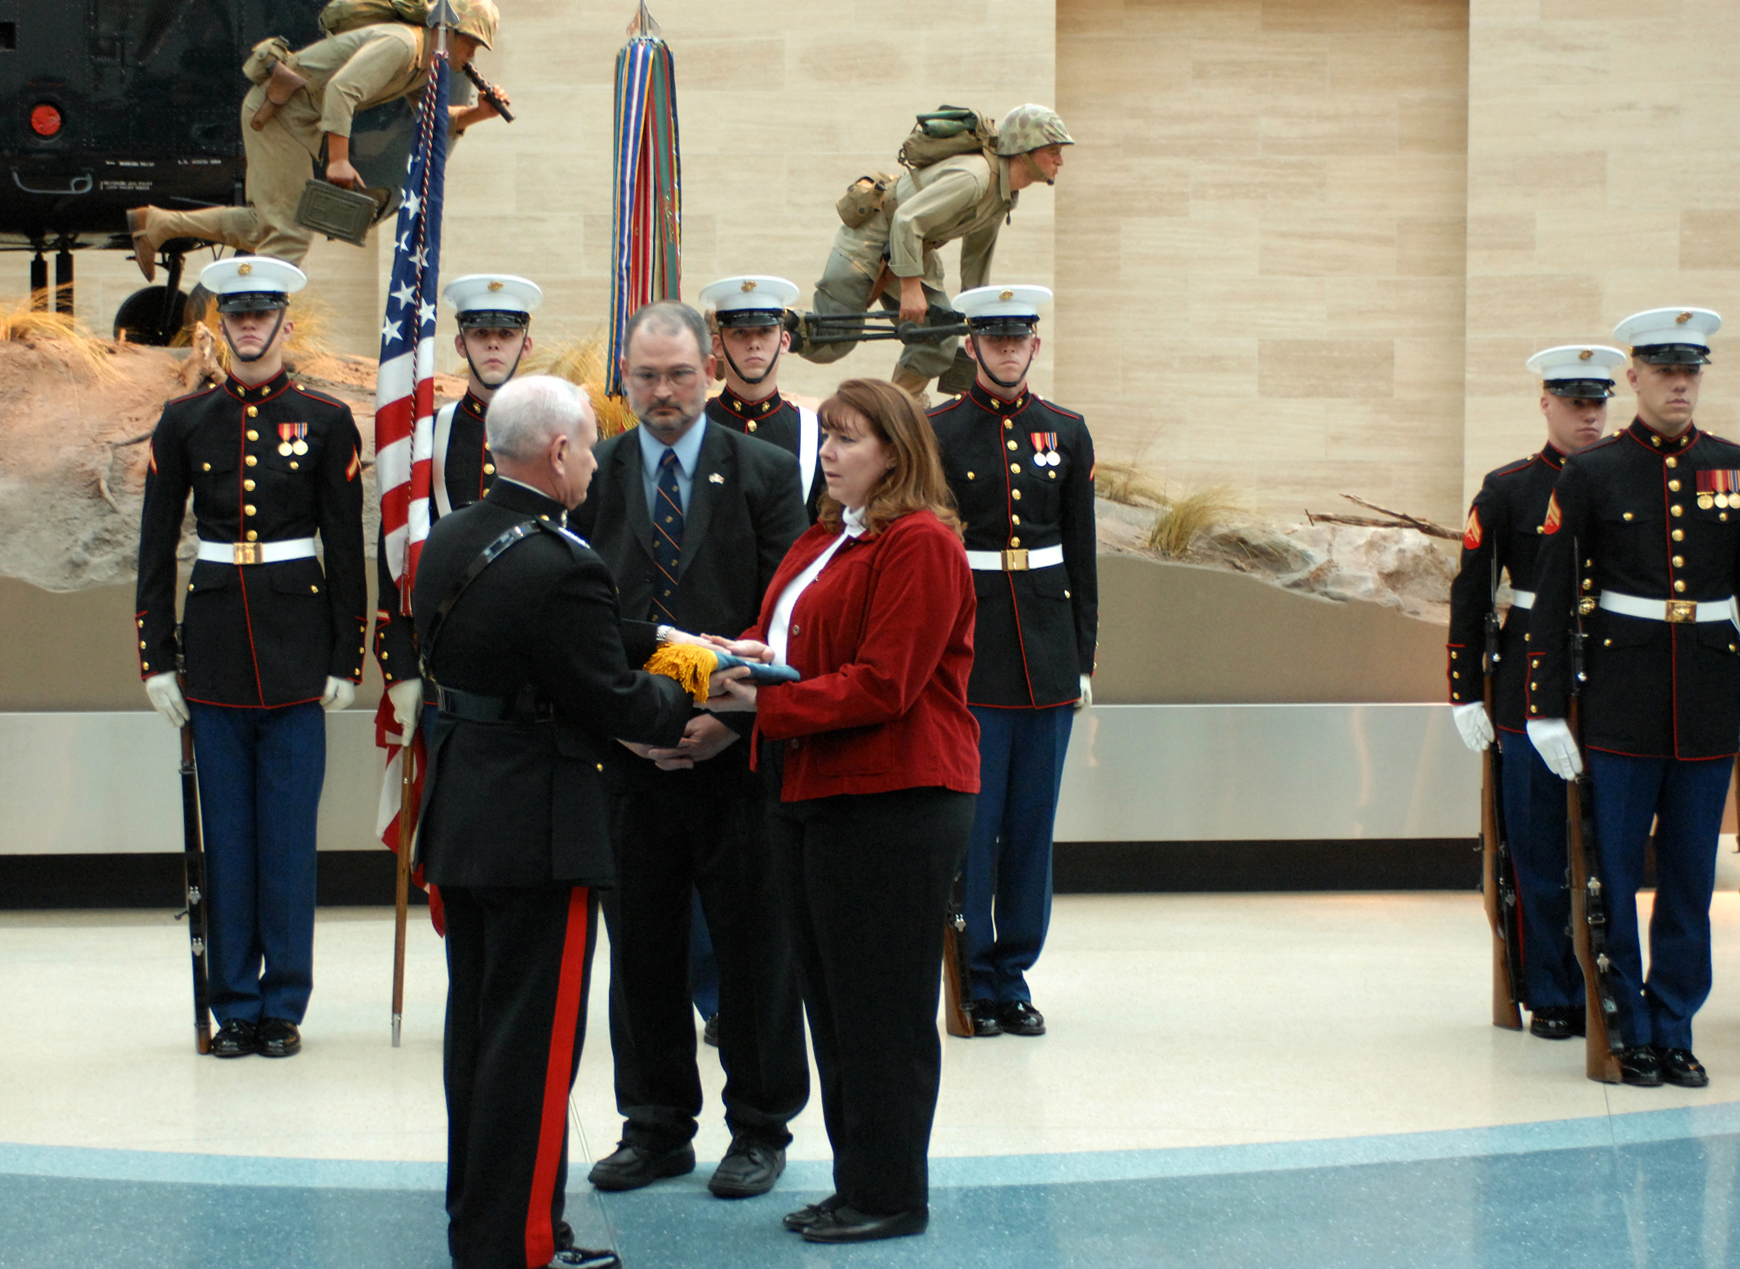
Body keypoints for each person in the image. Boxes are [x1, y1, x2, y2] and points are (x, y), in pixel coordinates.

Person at [413, 375, 692, 1269]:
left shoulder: (450, 535)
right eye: (588, 448)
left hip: (464, 817)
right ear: (563, 452)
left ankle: (480, 1223)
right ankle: (523, 1242)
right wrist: (691, 685)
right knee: (535, 1053)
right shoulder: (561, 559)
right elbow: (609, 692)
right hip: (541, 830)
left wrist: (682, 641)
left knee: (479, 1039)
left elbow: (565, 636)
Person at [703, 377, 979, 1244]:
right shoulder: (825, 539)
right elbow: (785, 640)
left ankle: (893, 1191)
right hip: (814, 790)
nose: (826, 453)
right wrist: (737, 654)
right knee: (831, 1001)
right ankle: (857, 1178)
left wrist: (760, 706)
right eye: (826, 437)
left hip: (895, 798)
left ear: (894, 452)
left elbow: (887, 684)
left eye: (848, 439)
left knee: (882, 1011)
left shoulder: (921, 543)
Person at [569, 302, 811, 1200]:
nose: (662, 392)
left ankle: (760, 1126)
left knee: (755, 950)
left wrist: (731, 720)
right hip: (631, 757)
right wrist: (628, 718)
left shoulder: (767, 471)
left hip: (738, 758)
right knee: (643, 951)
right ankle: (657, 1125)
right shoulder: (594, 474)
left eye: (677, 374)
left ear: (709, 369)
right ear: (622, 379)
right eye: (645, 376)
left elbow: (786, 611)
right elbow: (582, 612)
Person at [135, 255, 366, 1060]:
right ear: (219, 326)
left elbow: (346, 544)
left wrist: (348, 656)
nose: (251, 325)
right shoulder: (185, 419)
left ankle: (284, 1003)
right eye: (237, 314)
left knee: (288, 842)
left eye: (263, 312)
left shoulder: (328, 418)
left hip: (299, 652)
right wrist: (156, 657)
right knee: (227, 838)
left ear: (285, 323)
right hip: (216, 652)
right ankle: (233, 1003)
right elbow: (156, 548)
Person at [1526, 306, 1733, 1089]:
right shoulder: (1591, 474)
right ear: (1635, 377)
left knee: (1689, 878)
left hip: (1709, 699)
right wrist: (1544, 704)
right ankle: (1626, 1025)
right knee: (1614, 871)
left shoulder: (1732, 467)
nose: (1681, 384)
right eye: (1666, 370)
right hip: (1620, 702)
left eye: (1693, 370)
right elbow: (1550, 596)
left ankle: (1675, 1024)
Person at [926, 285, 1096, 1038]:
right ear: (970, 345)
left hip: (1048, 655)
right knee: (976, 826)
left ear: (1035, 344)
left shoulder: (1067, 430)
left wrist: (1083, 659)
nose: (1005, 349)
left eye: (1017, 337)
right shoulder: (938, 431)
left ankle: (1013, 976)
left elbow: (1083, 558)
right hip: (974, 655)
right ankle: (972, 969)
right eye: (991, 338)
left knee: (1032, 829)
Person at [1446, 343, 1627, 1039]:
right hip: (1525, 677)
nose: (1590, 414)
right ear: (1545, 402)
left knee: (1606, 849)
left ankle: (1606, 981)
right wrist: (1465, 691)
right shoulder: (1510, 487)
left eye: (1599, 400)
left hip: (1611, 674)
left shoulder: (1623, 479)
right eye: (1575, 401)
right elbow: (1471, 595)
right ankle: (1550, 987)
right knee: (1536, 846)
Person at [125, 0, 506, 274]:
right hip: (279, 112)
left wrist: (479, 113)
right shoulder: (403, 45)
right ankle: (262, 325)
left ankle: (158, 224)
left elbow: (428, 118)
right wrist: (339, 159)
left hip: (296, 118)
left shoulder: (424, 64)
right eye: (470, 41)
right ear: (445, 29)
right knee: (289, 234)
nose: (472, 53)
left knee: (266, 224)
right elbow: (343, 89)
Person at [791, 104, 1073, 400]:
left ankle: (897, 412)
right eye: (1053, 150)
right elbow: (906, 220)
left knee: (939, 336)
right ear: (1024, 149)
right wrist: (911, 287)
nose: (1060, 160)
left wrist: (974, 314)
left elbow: (977, 254)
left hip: (910, 248)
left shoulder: (1003, 193)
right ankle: (773, 324)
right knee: (832, 342)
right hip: (871, 236)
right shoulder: (974, 177)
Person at [374, 272, 542, 739]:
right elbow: (396, 539)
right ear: (459, 343)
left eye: (506, 334)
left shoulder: (554, 430)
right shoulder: (427, 435)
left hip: (532, 656)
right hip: (447, 651)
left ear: (526, 345)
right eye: (480, 334)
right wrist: (399, 666)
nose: (493, 346)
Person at [700, 275, 825, 521]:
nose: (754, 343)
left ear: (784, 342)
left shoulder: (812, 431)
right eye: (739, 333)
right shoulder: (694, 425)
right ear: (717, 345)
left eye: (766, 331)